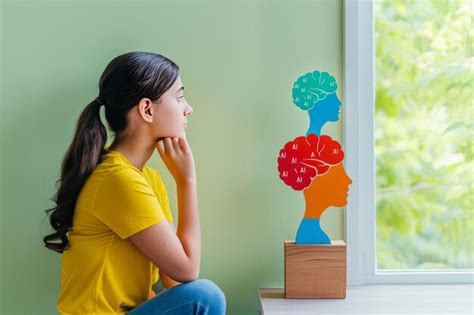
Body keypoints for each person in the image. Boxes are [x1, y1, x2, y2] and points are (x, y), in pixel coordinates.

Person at [43, 51, 226, 314]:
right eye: (179, 96)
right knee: (206, 296)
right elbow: (187, 271)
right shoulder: (116, 179)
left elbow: (173, 278)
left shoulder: (147, 179)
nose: (188, 108)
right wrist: (187, 181)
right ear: (147, 109)